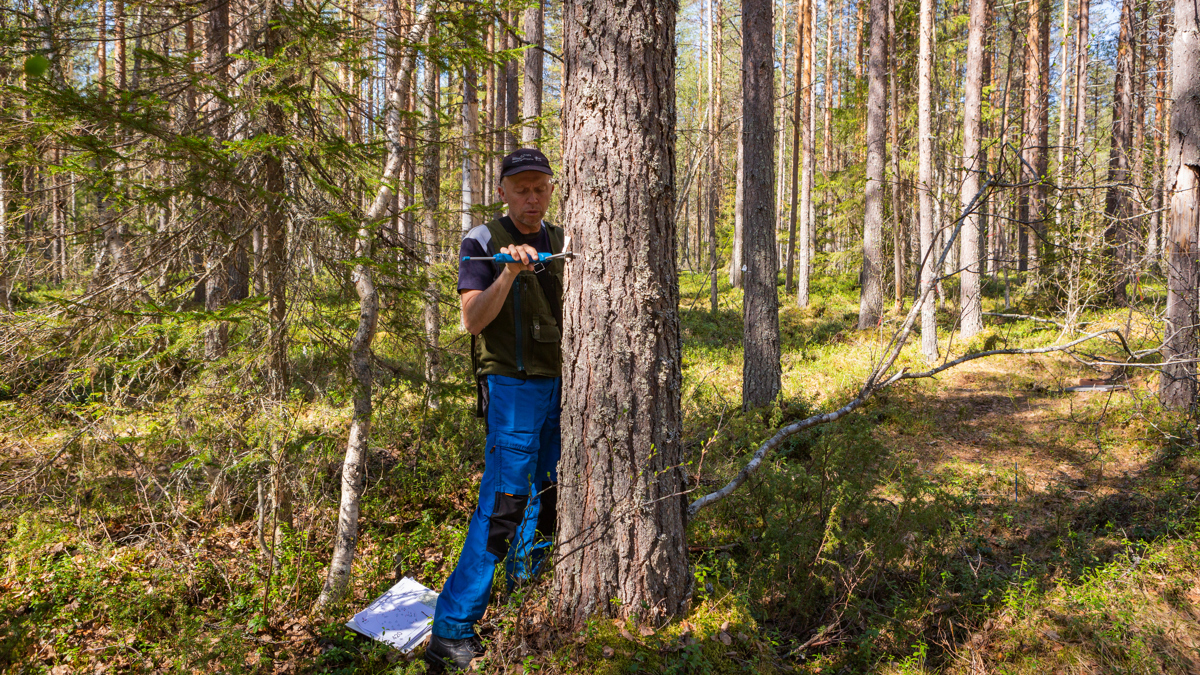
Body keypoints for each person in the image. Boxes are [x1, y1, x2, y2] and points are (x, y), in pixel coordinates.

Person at [425, 148, 565, 672]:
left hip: (562, 386)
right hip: (512, 387)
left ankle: (525, 590)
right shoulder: (482, 242)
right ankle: (452, 629)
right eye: (521, 188)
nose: (531, 198)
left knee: (549, 489)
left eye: (540, 188)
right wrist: (506, 274)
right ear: (503, 191)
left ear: (550, 189)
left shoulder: (562, 239)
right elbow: (472, 321)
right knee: (505, 500)